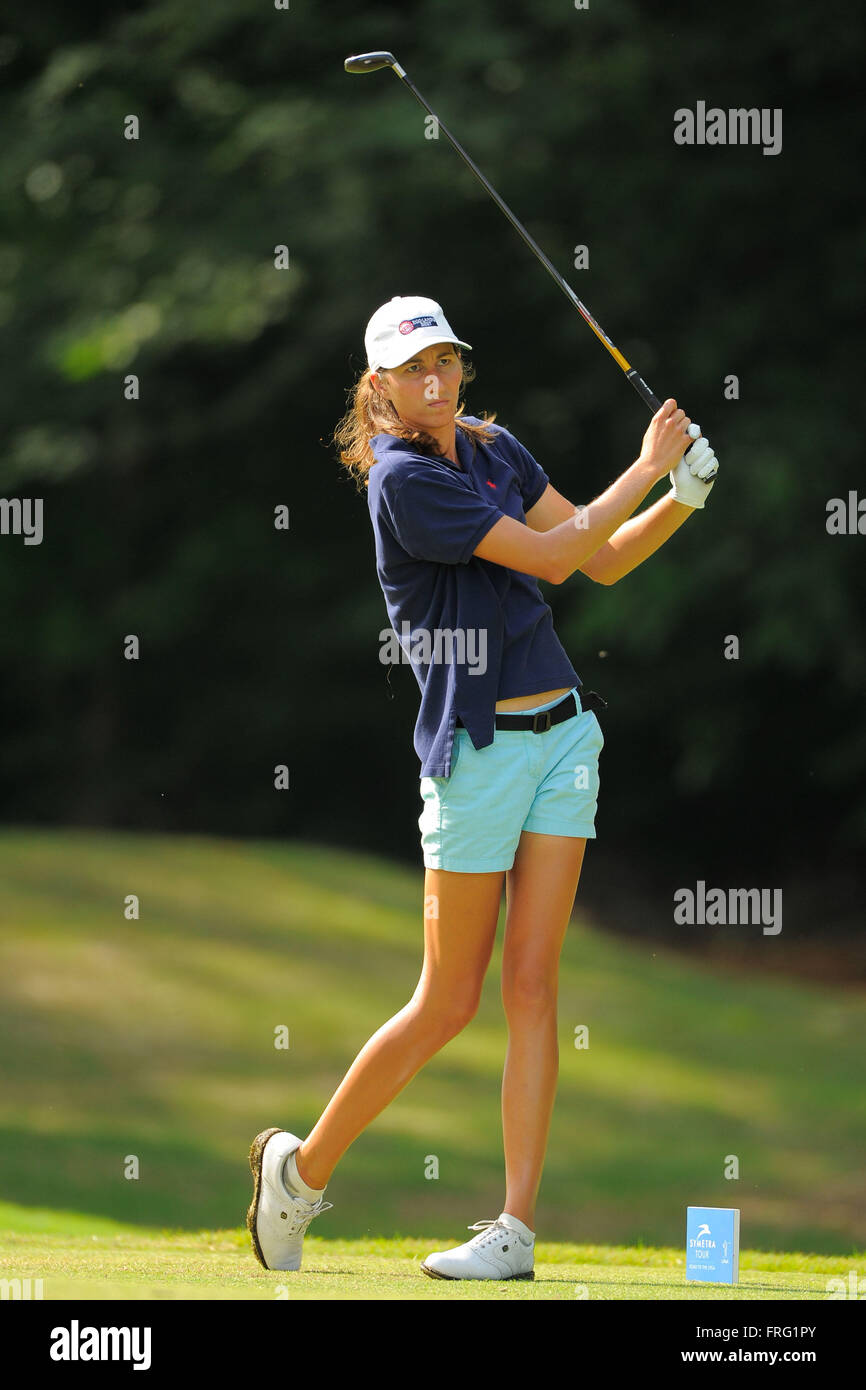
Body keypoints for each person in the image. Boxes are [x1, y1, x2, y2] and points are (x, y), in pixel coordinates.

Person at [246, 295, 719, 1281]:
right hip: (477, 751)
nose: (435, 379)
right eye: (413, 368)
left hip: (562, 741)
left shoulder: (495, 448)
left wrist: (680, 496)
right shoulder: (402, 480)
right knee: (448, 999)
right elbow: (550, 554)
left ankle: (512, 1228)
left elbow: (606, 561)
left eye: (446, 361)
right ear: (377, 387)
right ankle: (300, 1172)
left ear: (461, 366)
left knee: (535, 983)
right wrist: (644, 464)